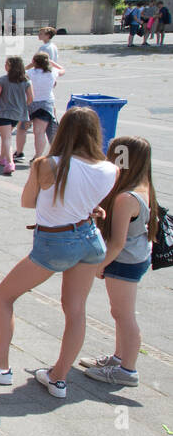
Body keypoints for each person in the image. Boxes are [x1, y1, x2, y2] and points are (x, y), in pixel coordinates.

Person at [0, 108, 118, 398]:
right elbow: (89, 200)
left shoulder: (49, 164)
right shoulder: (109, 168)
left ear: (63, 131)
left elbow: (27, 201)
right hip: (89, 237)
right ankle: (58, 378)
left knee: (3, 296)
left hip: (55, 241)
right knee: (75, 310)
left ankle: (0, 365)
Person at [83, 136, 158, 387]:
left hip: (125, 260)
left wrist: (99, 265)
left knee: (124, 314)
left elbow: (117, 242)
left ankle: (128, 370)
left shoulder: (126, 197)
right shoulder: (143, 185)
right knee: (119, 312)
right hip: (136, 256)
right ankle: (119, 358)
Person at [0, 56, 34, 176]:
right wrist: (22, 105)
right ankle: (1, 157)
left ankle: (9, 162)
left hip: (3, 112)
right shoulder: (26, 81)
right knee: (7, 135)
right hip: (17, 113)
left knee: (6, 138)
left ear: (11, 67)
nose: (5, 66)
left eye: (7, 64)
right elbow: (30, 98)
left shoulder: (2, 80)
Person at [25, 52, 62, 159]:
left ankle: (22, 151)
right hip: (46, 103)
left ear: (34, 62)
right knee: (42, 131)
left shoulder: (30, 73)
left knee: (29, 131)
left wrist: (29, 65)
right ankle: (39, 155)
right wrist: (52, 63)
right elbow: (63, 70)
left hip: (31, 103)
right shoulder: (53, 72)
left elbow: (19, 72)